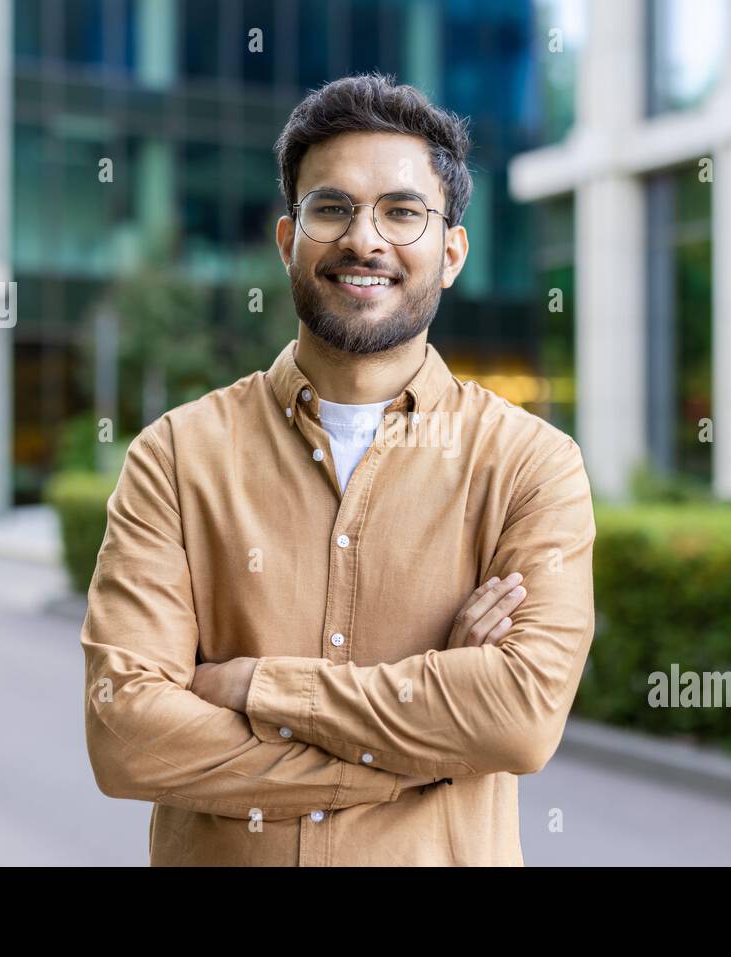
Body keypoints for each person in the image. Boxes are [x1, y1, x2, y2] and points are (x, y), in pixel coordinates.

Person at [80, 71, 596, 866]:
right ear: (289, 241)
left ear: (451, 253)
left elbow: (520, 718)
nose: (366, 239)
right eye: (332, 208)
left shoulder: (532, 466)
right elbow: (128, 738)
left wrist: (255, 687)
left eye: (402, 211)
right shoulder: (176, 458)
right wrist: (427, 744)